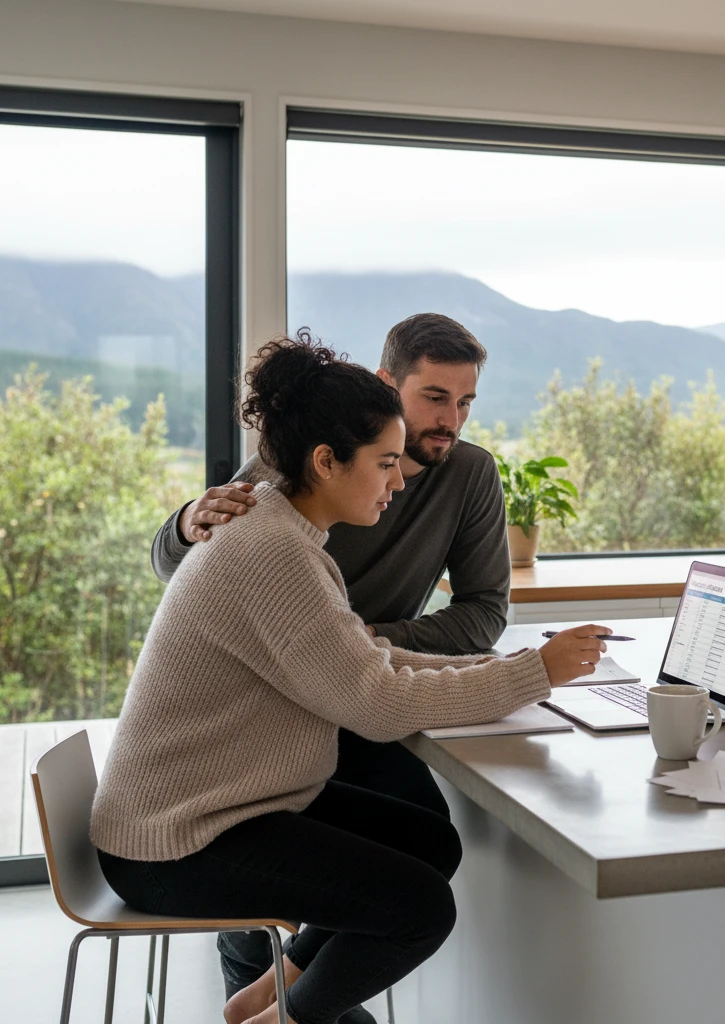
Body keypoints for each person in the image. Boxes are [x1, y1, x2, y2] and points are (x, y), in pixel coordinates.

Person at [92, 336, 610, 1024]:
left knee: (429, 842)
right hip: (177, 841)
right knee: (421, 910)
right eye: (386, 464)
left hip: (220, 807)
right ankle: (285, 1019)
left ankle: (275, 991)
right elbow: (379, 703)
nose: (399, 483)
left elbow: (374, 664)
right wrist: (529, 674)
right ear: (326, 461)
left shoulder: (290, 532)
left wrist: (516, 671)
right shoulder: (274, 551)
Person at [149, 315, 510, 1007]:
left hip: (357, 701)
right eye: (435, 397)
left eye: (466, 402)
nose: (451, 421)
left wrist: (358, 642)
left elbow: (485, 613)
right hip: (269, 719)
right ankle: (263, 989)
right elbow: (186, 565)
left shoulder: (468, 475)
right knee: (275, 892)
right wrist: (188, 518)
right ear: (386, 385)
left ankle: (290, 1000)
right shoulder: (309, 464)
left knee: (427, 841)